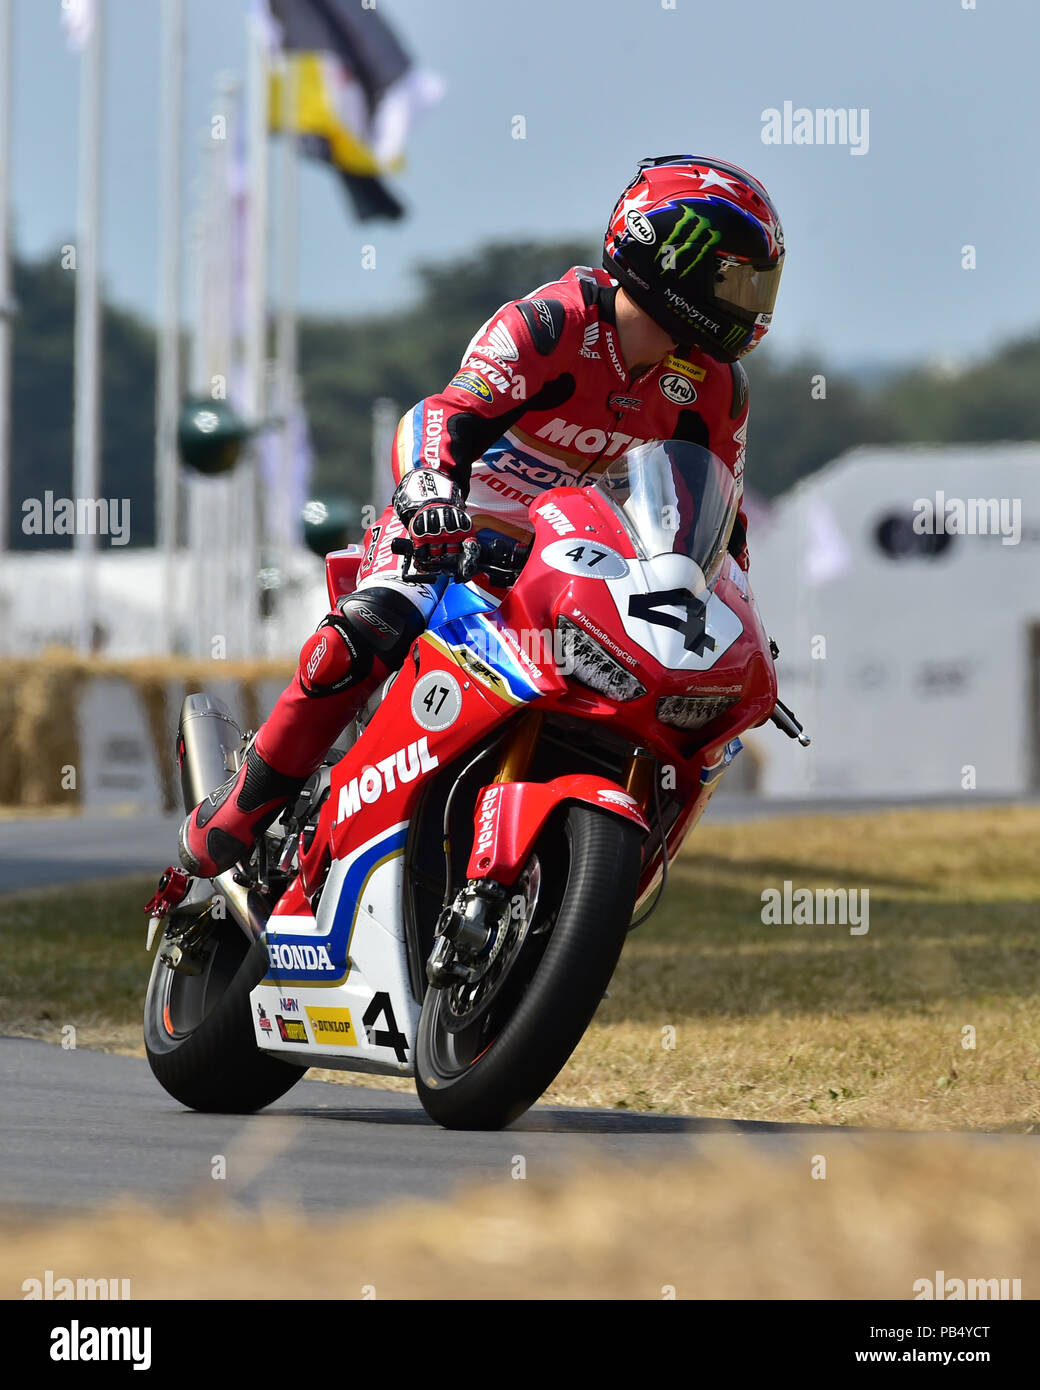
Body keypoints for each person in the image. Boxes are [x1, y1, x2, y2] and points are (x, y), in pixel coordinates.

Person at [179, 153, 785, 878]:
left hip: (583, 570)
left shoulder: (717, 389)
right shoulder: (551, 323)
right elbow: (443, 415)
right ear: (671, 255)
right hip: (451, 529)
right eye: (735, 279)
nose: (751, 302)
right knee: (370, 624)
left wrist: (738, 622)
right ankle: (242, 810)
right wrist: (431, 492)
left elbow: (724, 526)